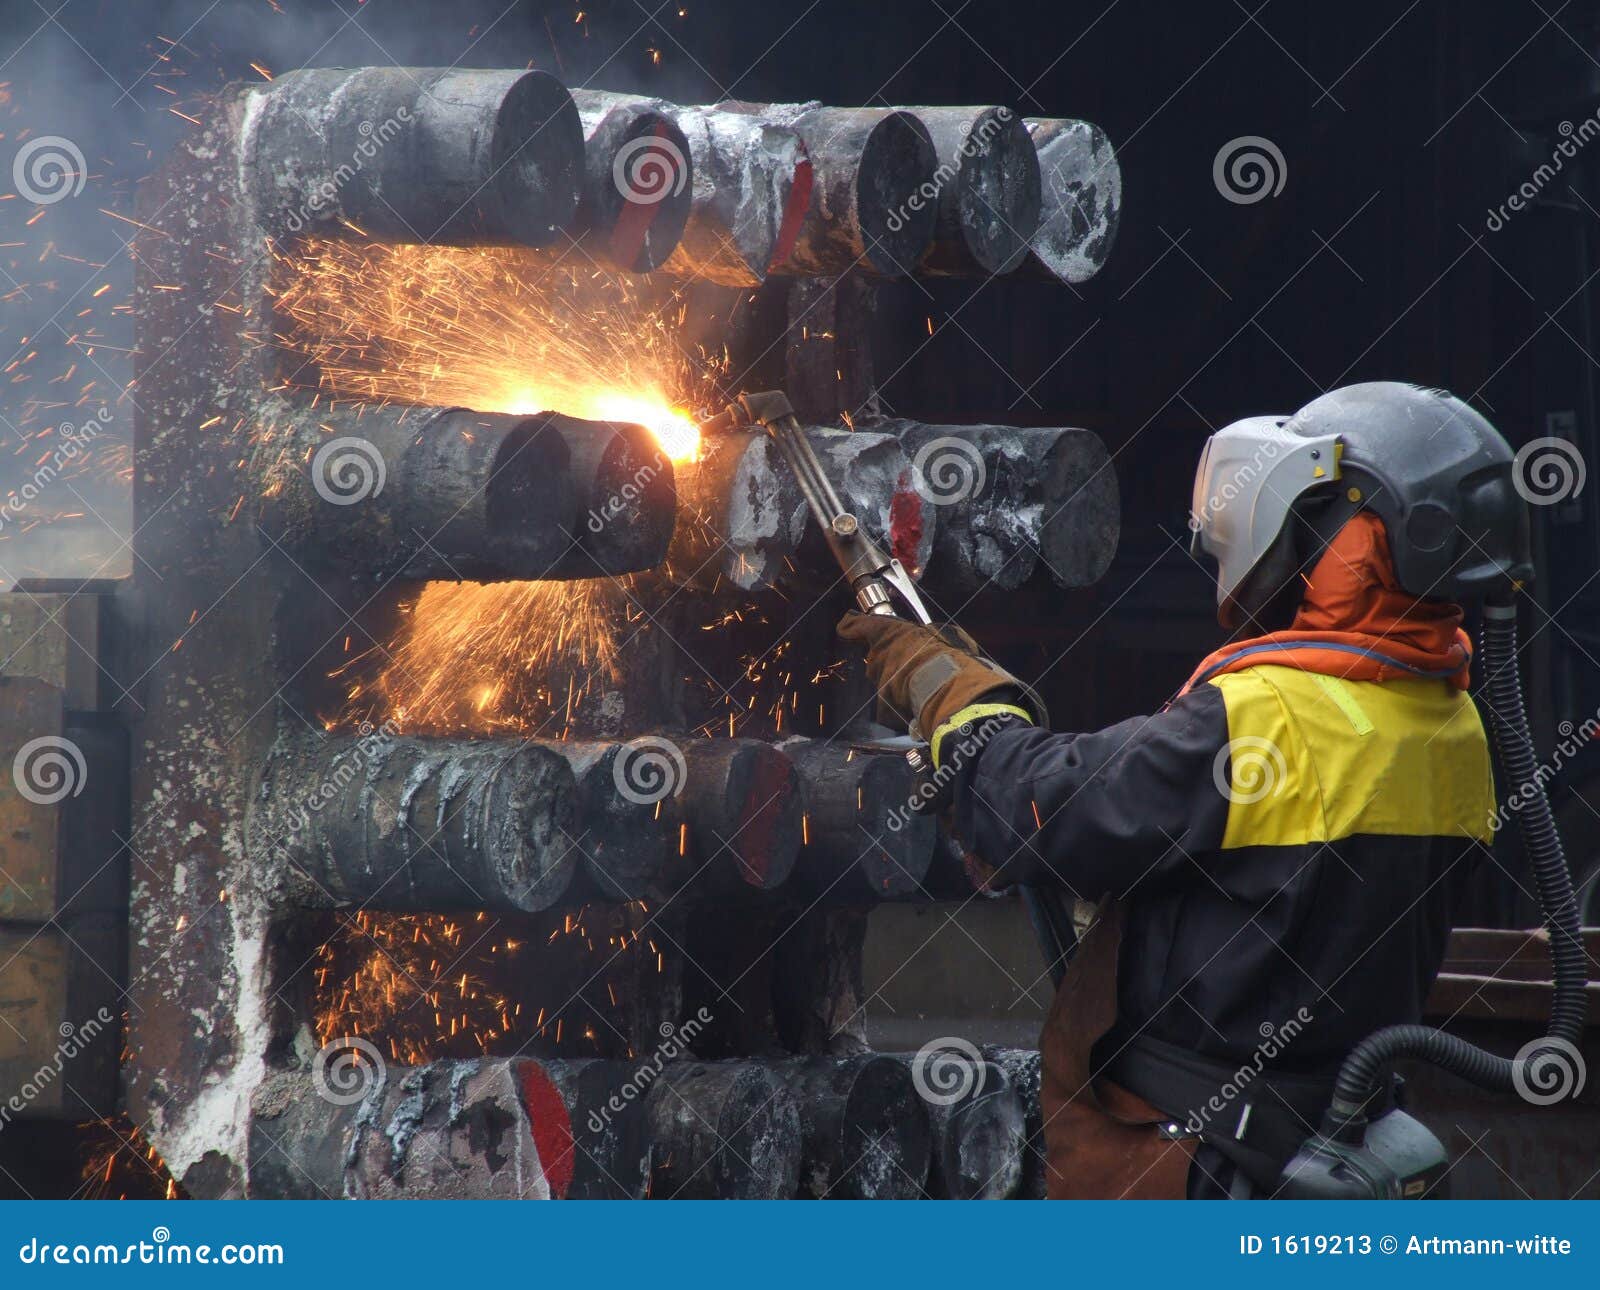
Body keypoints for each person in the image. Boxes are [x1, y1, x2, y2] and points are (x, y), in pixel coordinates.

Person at [839, 381, 1533, 1198]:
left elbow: (1037, 810)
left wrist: (954, 694)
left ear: (1346, 535)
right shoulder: (1455, 728)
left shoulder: (1268, 720)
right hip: (1331, 1143)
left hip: (1197, 1163)